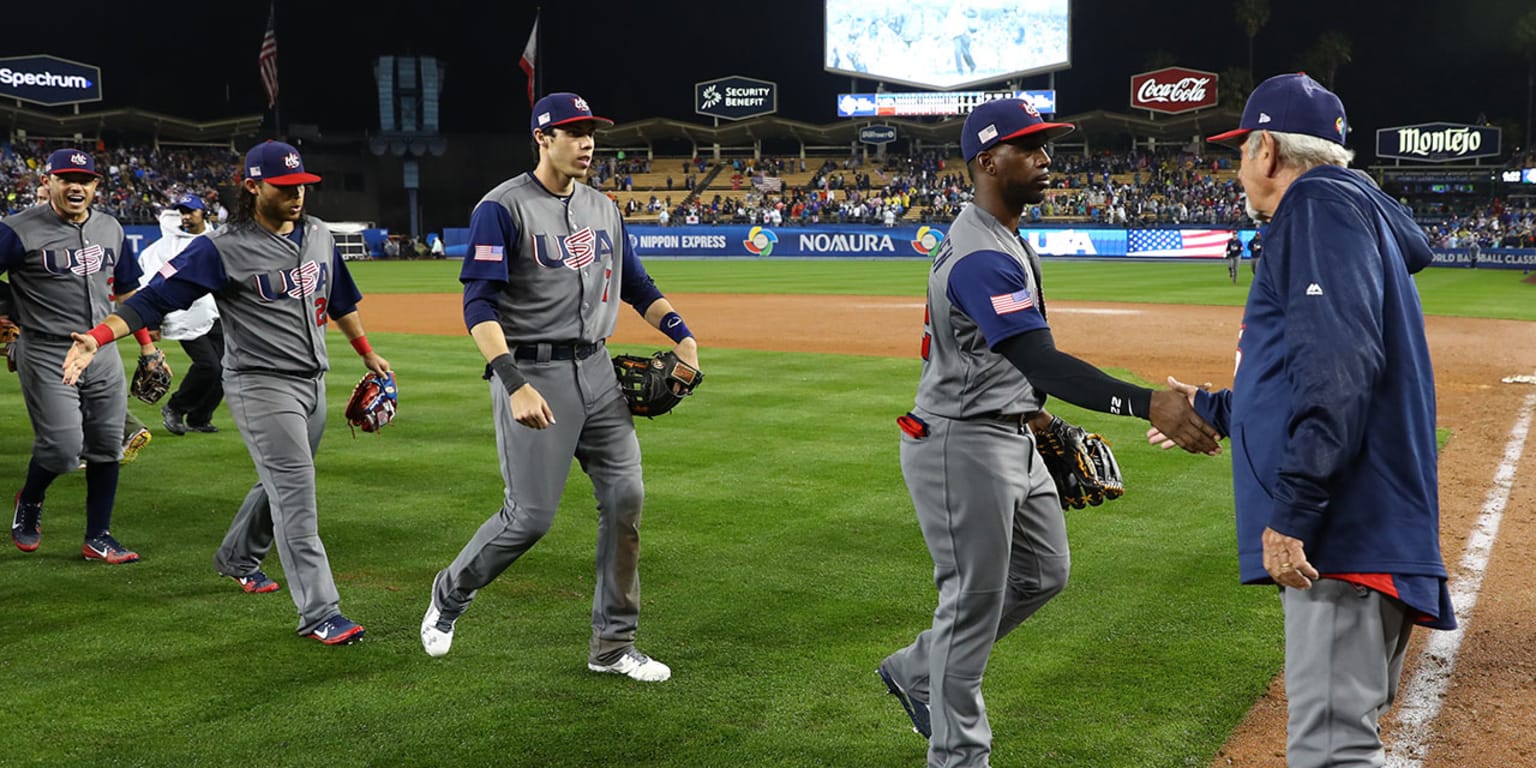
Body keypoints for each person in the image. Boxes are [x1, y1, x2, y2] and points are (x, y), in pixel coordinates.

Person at [878, 99, 1220, 767]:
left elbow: (1002, 358)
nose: (1045, 158)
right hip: (961, 443)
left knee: (1043, 574)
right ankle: (958, 756)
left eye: (1045, 145)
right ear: (986, 161)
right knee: (971, 607)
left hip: (1009, 430)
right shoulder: (981, 253)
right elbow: (1038, 357)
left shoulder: (1003, 235)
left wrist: (1036, 417)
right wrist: (1147, 403)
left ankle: (916, 669)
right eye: (1028, 147)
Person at [1155, 73, 1455, 768]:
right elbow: (1310, 370)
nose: (1236, 172)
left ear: (1267, 150)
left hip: (1344, 533)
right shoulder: (1350, 209)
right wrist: (1218, 410)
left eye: (1239, 153)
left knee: (1331, 754)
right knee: (1341, 746)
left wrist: (1294, 510)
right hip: (1366, 527)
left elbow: (1340, 366)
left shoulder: (1315, 207)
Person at [62, 141, 391, 646]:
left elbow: (341, 298)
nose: (297, 196)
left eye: (302, 187)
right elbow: (151, 299)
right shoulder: (222, 247)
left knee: (279, 483)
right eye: (285, 189)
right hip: (261, 386)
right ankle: (321, 611)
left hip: (312, 382)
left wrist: (366, 351)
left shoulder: (320, 234)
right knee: (297, 497)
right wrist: (97, 337)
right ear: (253, 186)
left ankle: (237, 556)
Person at [420, 92, 701, 683]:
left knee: (626, 502)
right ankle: (450, 592)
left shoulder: (603, 208)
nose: (586, 141)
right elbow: (477, 304)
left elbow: (637, 284)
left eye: (590, 131)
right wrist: (513, 382)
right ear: (542, 139)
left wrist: (683, 337)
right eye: (572, 132)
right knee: (530, 519)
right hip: (532, 372)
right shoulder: (502, 208)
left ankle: (612, 645)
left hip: (598, 373)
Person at [1, 148, 160, 563]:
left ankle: (98, 536)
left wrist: (147, 346)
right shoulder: (17, 230)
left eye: (84, 179)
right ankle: (30, 499)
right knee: (61, 448)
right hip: (47, 349)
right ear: (47, 182)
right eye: (66, 178)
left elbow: (127, 295)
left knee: (108, 446)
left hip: (101, 348)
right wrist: (7, 312)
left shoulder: (110, 228)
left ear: (95, 185)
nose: (76, 186)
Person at [138, 192, 225, 436]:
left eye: (191, 211)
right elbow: (151, 282)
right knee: (209, 366)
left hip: (215, 312)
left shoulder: (215, 238)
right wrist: (153, 321)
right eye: (182, 212)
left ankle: (200, 417)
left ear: (203, 213)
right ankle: (175, 407)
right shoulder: (167, 246)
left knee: (226, 369)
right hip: (182, 315)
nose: (186, 217)